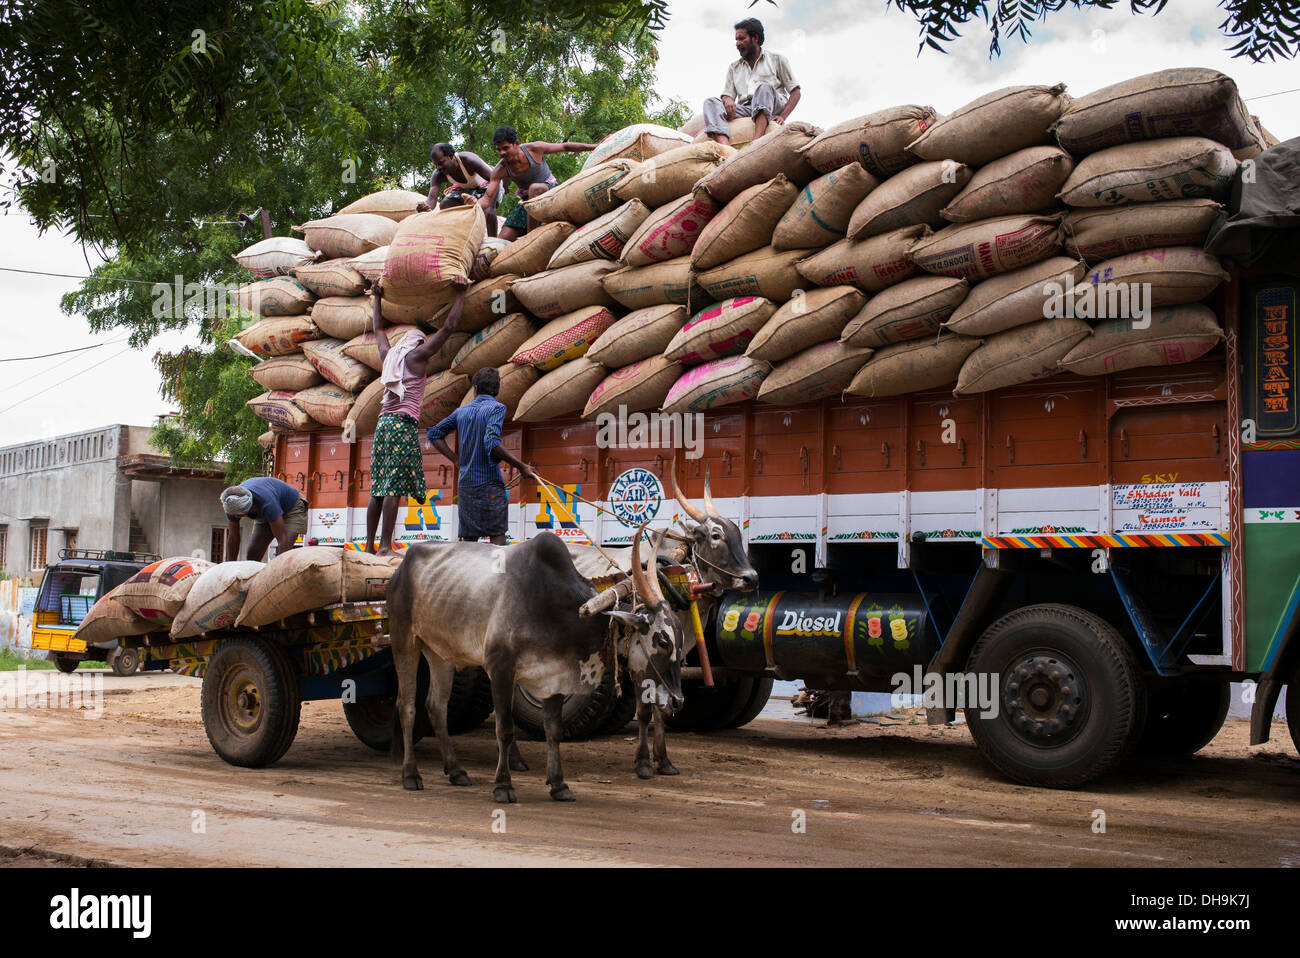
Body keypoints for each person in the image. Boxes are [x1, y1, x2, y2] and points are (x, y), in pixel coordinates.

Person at [365, 274, 471, 556]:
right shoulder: (417, 357)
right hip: (401, 425)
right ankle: (386, 546)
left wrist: (376, 297)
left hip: (382, 426)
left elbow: (378, 329)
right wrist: (461, 294)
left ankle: (369, 544)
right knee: (393, 486)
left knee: (379, 485)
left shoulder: (389, 356)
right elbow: (448, 328)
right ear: (417, 344)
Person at [427, 366, 536, 545]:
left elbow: (434, 434)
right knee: (497, 533)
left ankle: (470, 573)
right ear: (497, 389)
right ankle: (495, 573)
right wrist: (522, 466)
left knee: (469, 538)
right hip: (489, 484)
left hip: (466, 485)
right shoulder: (497, 408)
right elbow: (492, 443)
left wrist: (455, 459)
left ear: (475, 389)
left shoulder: (460, 412)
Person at [479, 126, 598, 241]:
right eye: (498, 149)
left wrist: (595, 146)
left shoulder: (534, 149)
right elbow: (487, 198)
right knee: (503, 239)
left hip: (549, 190)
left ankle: (531, 237)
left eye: (505, 148)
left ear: (516, 144)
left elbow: (565, 146)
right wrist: (474, 204)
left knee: (534, 188)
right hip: (527, 201)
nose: (502, 153)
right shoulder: (500, 170)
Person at [702, 18, 801, 146]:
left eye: (741, 39)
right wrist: (728, 99)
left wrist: (783, 116)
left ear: (755, 38)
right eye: (736, 40)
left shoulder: (777, 60)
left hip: (772, 104)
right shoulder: (734, 67)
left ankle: (756, 142)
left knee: (764, 88)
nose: (737, 43)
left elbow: (795, 92)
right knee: (710, 102)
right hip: (746, 108)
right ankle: (725, 146)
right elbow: (727, 94)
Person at [220, 477, 308, 562]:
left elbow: (282, 539)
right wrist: (229, 567)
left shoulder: (268, 503)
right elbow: (233, 537)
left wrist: (277, 570)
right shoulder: (231, 504)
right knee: (253, 555)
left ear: (252, 507)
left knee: (284, 549)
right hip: (265, 511)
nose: (237, 518)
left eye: (240, 515)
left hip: (292, 508)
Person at [427, 143, 504, 232]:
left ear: (451, 156)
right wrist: (425, 208)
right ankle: (461, 231)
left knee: (489, 209)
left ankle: (493, 240)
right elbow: (431, 200)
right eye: (435, 165)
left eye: (441, 163)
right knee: (445, 205)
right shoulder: (438, 175)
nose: (438, 167)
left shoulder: (468, 160)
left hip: (491, 183)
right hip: (468, 190)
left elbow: (495, 179)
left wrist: (488, 203)